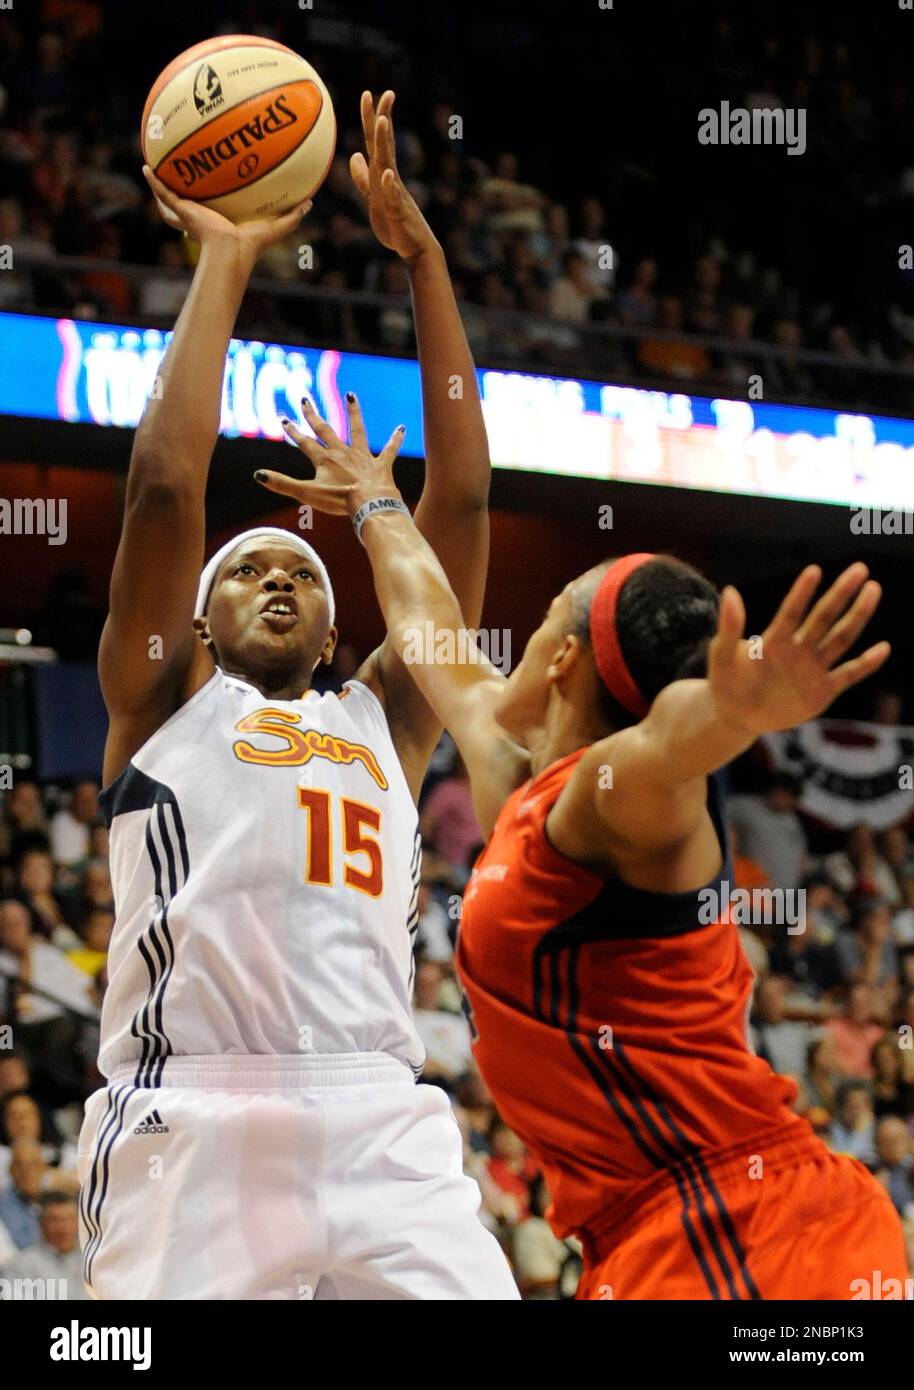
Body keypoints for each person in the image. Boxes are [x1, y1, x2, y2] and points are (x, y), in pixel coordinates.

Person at [260, 412, 907, 1299]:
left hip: (747, 1229)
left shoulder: (622, 801)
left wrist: (735, 710)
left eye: (548, 609)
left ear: (562, 656)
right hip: (652, 1230)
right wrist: (375, 501)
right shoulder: (514, 768)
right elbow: (426, 621)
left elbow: (670, 744)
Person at [78, 91, 516, 1302]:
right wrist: (223, 257)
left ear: (335, 627)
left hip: (382, 1112)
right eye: (248, 572)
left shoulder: (385, 714)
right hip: (193, 1116)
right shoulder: (161, 702)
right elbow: (165, 492)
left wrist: (424, 269)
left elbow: (462, 506)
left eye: (299, 574)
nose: (276, 578)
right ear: (200, 621)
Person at [0, 1192, 88, 1299]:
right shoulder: (22, 1264)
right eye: (55, 1220)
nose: (64, 1228)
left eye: (69, 1219)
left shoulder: (92, 1258)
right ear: (41, 1223)